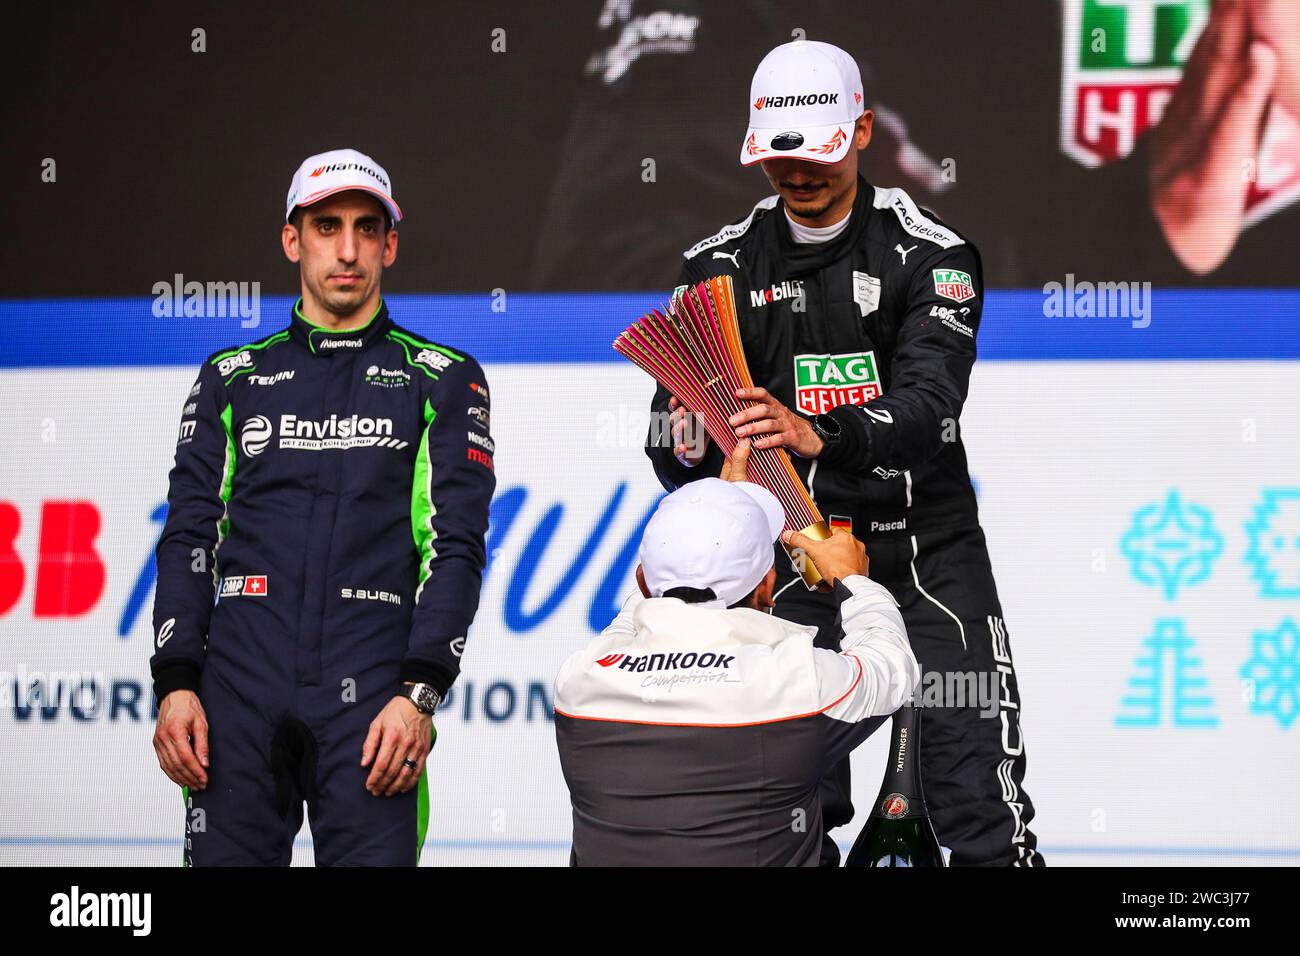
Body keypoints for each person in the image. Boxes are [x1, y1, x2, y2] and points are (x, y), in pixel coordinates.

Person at [645, 40, 1044, 866]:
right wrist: (693, 434)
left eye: (819, 154)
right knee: (772, 815)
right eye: (779, 158)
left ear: (861, 130)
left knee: (976, 804)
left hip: (924, 556)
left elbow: (934, 410)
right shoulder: (714, 267)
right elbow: (668, 448)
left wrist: (820, 432)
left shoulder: (932, 253)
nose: (798, 175)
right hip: (788, 560)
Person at [149, 148, 496, 866]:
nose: (347, 250)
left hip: (373, 706)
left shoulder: (442, 378)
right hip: (236, 698)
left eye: (367, 229)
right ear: (291, 238)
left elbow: (455, 546)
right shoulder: (230, 378)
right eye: (326, 226)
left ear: (390, 244)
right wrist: (177, 684)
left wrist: (420, 695)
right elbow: (188, 535)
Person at [555, 439, 920, 866]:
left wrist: (714, 509)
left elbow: (639, 613)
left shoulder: (580, 680)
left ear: (641, 580)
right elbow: (893, 667)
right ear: (768, 586)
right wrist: (853, 580)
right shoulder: (796, 683)